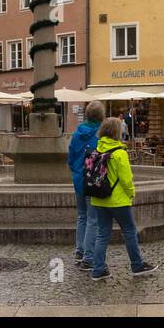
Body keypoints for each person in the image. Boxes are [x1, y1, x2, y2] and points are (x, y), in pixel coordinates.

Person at [88, 117, 158, 279]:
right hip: (118, 200)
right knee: (129, 231)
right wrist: (131, 194)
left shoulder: (97, 149)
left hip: (98, 199)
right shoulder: (120, 153)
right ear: (117, 132)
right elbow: (126, 180)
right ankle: (137, 265)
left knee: (102, 233)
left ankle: (98, 270)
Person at [69, 101, 104, 268]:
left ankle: (79, 251)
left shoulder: (76, 134)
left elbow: (70, 158)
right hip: (92, 180)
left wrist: (76, 171)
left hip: (78, 180)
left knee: (82, 216)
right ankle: (88, 257)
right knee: (92, 219)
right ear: (101, 117)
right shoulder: (99, 135)